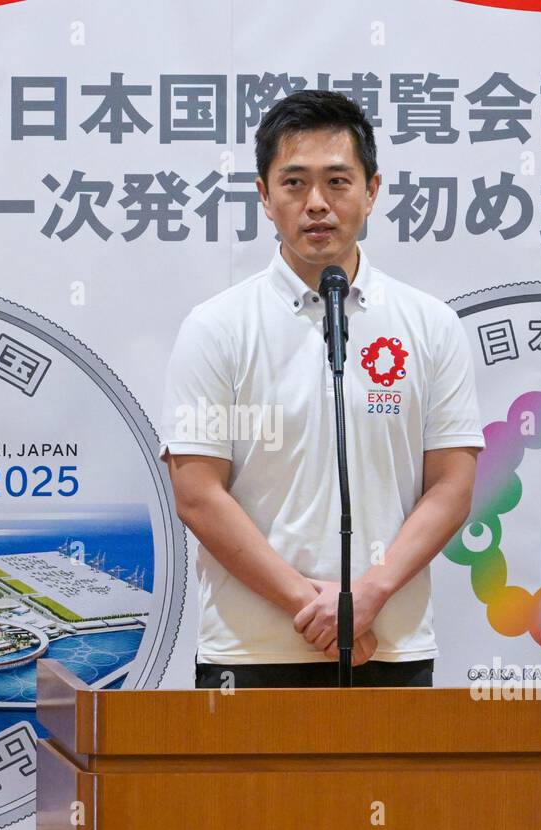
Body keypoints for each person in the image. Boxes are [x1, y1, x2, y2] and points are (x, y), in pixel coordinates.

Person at [158, 89, 484, 689]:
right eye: (294, 183)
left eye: (337, 181)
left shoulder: (430, 323)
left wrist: (371, 593)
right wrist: (318, 610)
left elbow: (452, 486)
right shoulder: (216, 326)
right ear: (263, 194)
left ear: (372, 190)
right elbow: (198, 494)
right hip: (252, 652)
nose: (317, 205)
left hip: (389, 643)